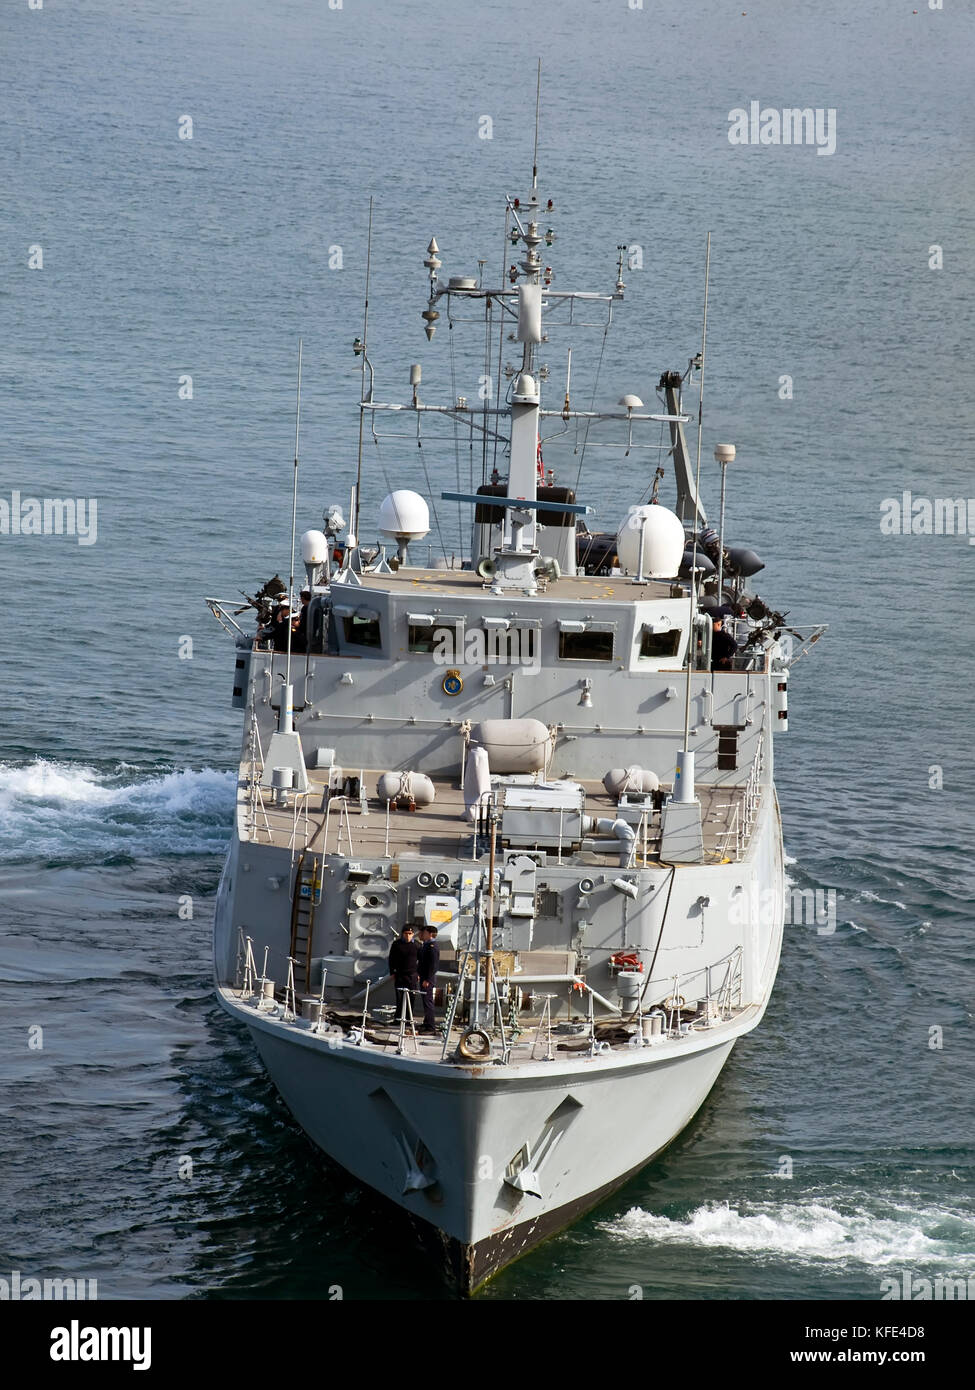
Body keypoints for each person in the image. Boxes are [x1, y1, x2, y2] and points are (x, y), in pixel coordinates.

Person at [387, 925, 419, 1022]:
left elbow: (422, 960)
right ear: (402, 934)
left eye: (410, 934)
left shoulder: (417, 945)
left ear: (413, 934)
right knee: (400, 998)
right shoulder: (397, 944)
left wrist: (419, 974)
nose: (408, 936)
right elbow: (391, 959)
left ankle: (409, 1019)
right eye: (406, 934)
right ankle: (398, 1018)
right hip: (400, 974)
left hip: (412, 975)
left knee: (411, 998)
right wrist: (392, 972)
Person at [417, 925, 440, 1033]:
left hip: (427, 979)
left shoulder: (432, 946)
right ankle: (426, 1023)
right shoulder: (426, 945)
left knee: (428, 1002)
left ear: (430, 934)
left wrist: (427, 979)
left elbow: (433, 965)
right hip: (424, 977)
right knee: (425, 1001)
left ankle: (431, 1026)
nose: (423, 934)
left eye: (425, 932)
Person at [292, 588, 311, 654]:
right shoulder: (311, 607)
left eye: (301, 598)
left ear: (303, 598)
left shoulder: (305, 608)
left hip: (304, 632)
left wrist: (296, 626)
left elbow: (303, 622)